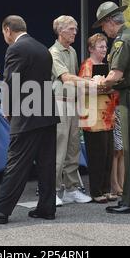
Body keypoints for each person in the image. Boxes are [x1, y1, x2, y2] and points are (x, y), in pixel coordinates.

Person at [0, 15, 60, 224]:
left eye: (3, 32)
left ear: (7, 30)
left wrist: (7, 108)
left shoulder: (16, 49)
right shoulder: (42, 49)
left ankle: (0, 211)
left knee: (16, 163)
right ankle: (47, 208)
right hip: (47, 114)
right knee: (47, 164)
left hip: (27, 116)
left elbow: (12, 81)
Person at [93, 1, 130, 214]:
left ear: (111, 22)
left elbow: (115, 75)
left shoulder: (121, 41)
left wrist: (99, 82)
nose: (103, 29)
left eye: (103, 24)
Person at [49, 15, 92, 205]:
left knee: (73, 147)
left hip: (71, 103)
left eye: (75, 28)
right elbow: (66, 78)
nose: (75, 32)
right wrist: (91, 81)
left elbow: (73, 78)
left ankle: (72, 189)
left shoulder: (72, 51)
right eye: (71, 29)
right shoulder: (53, 52)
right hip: (59, 103)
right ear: (60, 31)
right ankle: (54, 191)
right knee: (59, 148)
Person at [78, 33, 117, 203]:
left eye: (105, 46)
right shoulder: (87, 65)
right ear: (91, 49)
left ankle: (106, 188)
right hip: (93, 117)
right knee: (97, 155)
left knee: (108, 154)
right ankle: (96, 191)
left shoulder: (106, 66)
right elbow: (83, 88)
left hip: (108, 116)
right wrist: (103, 89)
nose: (104, 49)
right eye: (101, 46)